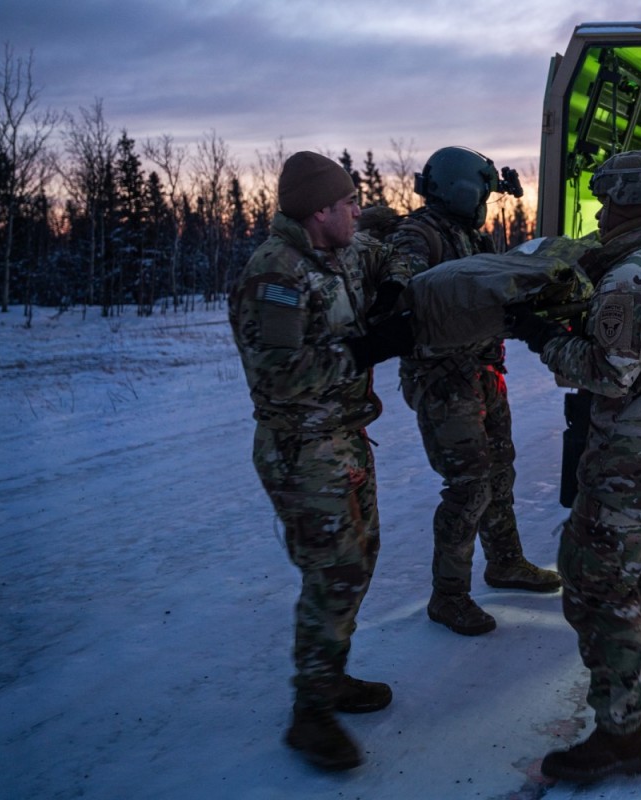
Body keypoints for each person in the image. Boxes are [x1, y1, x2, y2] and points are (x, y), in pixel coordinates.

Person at [507, 150, 641, 782]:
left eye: (607, 198)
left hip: (633, 474)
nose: (599, 210)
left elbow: (608, 371)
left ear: (629, 200)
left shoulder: (632, 277)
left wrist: (544, 338)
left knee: (597, 589)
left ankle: (621, 733)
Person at [228, 151, 415, 772]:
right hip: (301, 448)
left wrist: (390, 283)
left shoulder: (340, 248)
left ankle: (329, 677)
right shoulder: (275, 275)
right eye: (348, 205)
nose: (357, 211)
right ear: (318, 212)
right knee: (332, 571)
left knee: (359, 560)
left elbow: (385, 243)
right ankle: (311, 712)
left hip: (344, 437)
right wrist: (368, 348)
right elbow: (281, 377)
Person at [384, 146, 560, 637]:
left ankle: (505, 561)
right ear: (463, 188)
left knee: (500, 469)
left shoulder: (469, 236)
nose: (486, 199)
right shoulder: (419, 234)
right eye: (483, 190)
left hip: (482, 371)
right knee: (469, 485)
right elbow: (401, 283)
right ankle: (449, 596)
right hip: (443, 381)